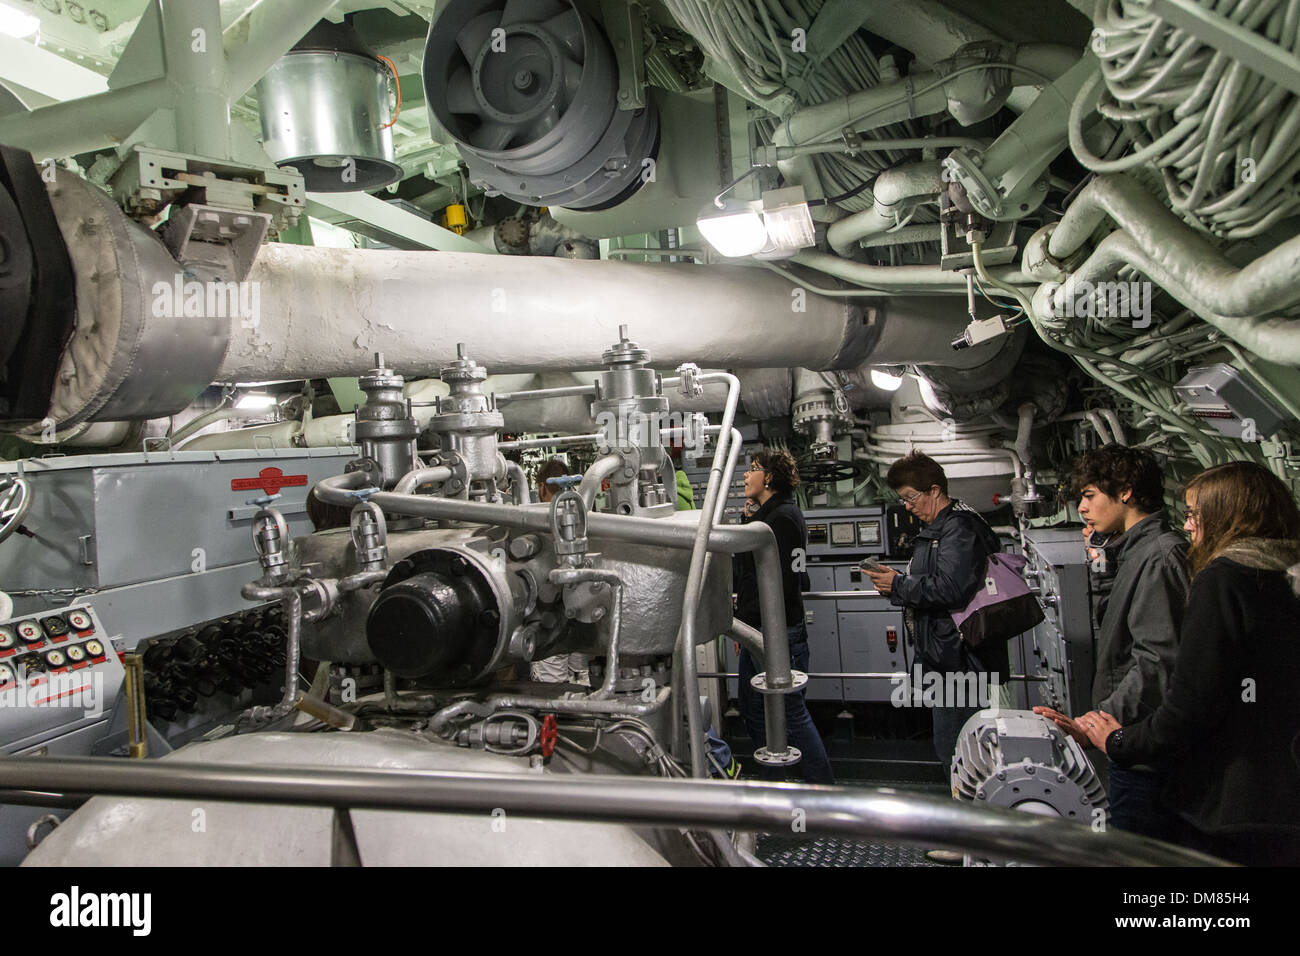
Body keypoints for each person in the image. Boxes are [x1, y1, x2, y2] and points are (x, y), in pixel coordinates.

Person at [1077, 461, 1300, 865]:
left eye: (1196, 515)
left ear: (1226, 517)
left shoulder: (1224, 579)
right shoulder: (1283, 576)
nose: (1190, 526)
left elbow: (1193, 700)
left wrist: (1121, 741)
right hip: (1280, 797)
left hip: (1228, 802)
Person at [1035, 444, 1189, 842]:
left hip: (1140, 745)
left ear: (1125, 491)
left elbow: (1157, 662)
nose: (1082, 508)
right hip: (1127, 738)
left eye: (1089, 496)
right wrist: (1100, 566)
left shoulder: (1158, 556)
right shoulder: (1135, 551)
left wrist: (1096, 725)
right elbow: (1118, 630)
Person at [864, 451, 1007, 769]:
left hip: (960, 659)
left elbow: (950, 589)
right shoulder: (945, 527)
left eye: (912, 497)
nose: (907, 506)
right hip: (947, 654)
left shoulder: (957, 529)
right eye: (903, 499)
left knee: (958, 750)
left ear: (934, 491)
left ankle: (968, 814)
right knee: (957, 747)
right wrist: (897, 584)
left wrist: (898, 586)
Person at [732, 449, 835, 784]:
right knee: (752, 710)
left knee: (789, 713)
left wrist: (743, 621)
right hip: (758, 630)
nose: (746, 476)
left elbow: (787, 581)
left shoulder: (784, 519)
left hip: (777, 634)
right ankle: (777, 781)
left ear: (770, 477)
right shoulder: (771, 517)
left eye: (752, 470)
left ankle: (822, 789)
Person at [530, 457, 590, 685]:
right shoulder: (582, 515)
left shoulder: (537, 520)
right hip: (581, 615)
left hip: (550, 620)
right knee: (580, 677)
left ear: (542, 486)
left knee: (552, 687)